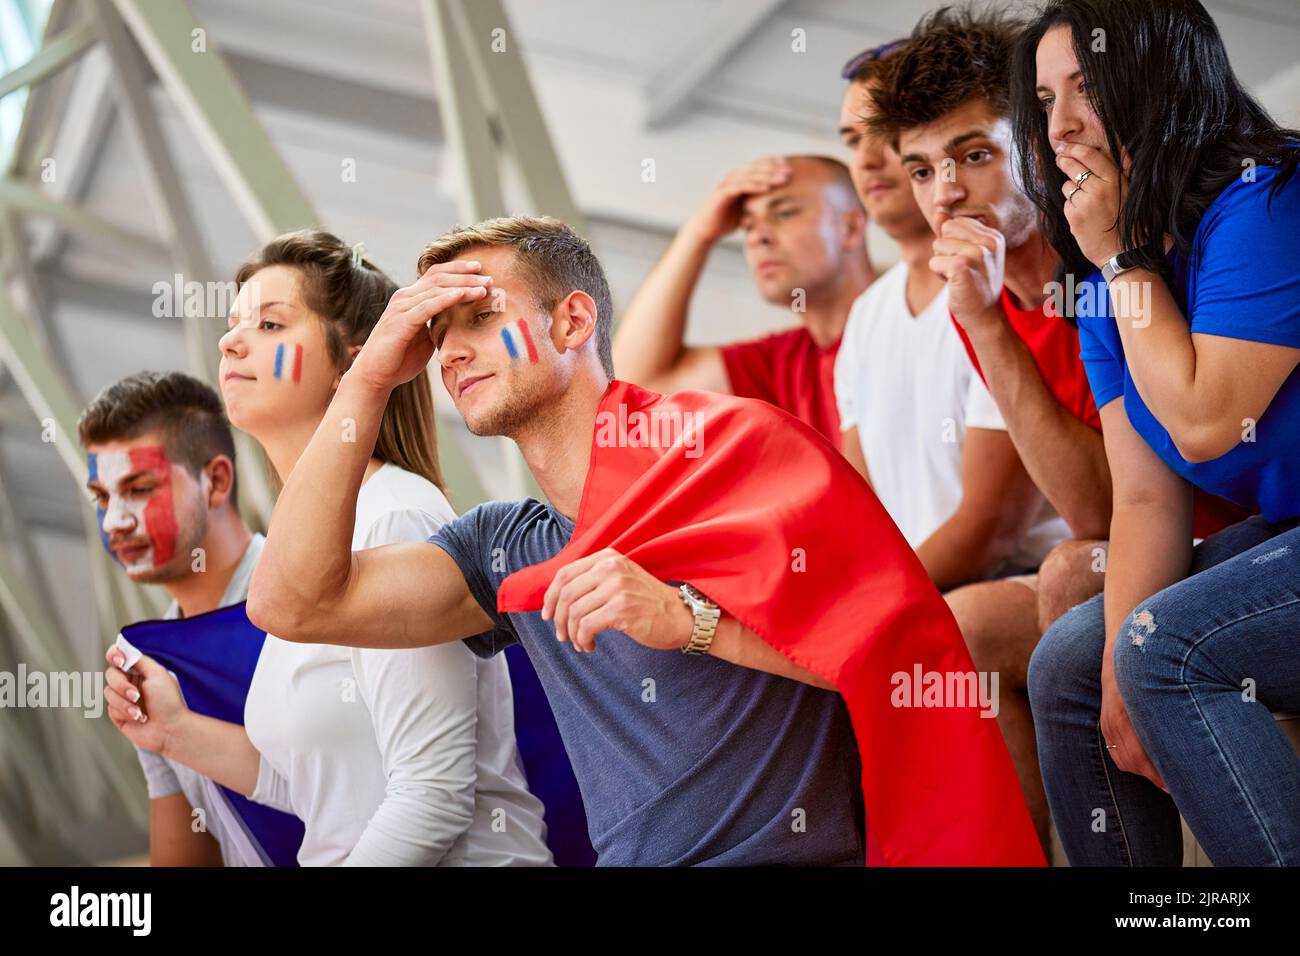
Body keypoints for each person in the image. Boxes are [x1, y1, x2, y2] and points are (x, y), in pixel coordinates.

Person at [238, 215, 1042, 866]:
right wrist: (371, 376)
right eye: (437, 333)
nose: (450, 352)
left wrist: (688, 620)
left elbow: (898, 662)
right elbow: (293, 602)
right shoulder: (503, 548)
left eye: (482, 318)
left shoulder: (733, 448)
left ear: (572, 318)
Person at [104, 231, 551, 866]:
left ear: (354, 363)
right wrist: (174, 732)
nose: (231, 341)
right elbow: (324, 790)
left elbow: (434, 794)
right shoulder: (301, 551)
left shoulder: (394, 512)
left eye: (269, 324)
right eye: (233, 324)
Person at [1015, 0, 1300, 866]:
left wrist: (1124, 261)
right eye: (1043, 99)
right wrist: (1111, 683)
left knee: (1160, 646)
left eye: (1087, 88)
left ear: (1159, 82)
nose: (1060, 125)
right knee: (1069, 661)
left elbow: (1207, 419)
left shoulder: (1268, 199)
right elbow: (1143, 494)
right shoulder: (1105, 271)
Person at [865, 6, 1116, 850]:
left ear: (1040, 144)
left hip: (1213, 541)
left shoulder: (1107, 264)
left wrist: (985, 327)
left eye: (975, 155)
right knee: (944, 642)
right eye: (924, 168)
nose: (947, 193)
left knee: (1037, 587)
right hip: (1120, 553)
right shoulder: (996, 295)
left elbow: (1099, 511)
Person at [836, 39, 1069, 595]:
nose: (868, 158)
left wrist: (861, 611)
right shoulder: (869, 313)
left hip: (1013, 583)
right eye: (850, 139)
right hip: (919, 591)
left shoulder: (1009, 288)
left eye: (971, 155)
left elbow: (993, 529)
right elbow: (858, 508)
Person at [82, 371, 287, 866]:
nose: (114, 522)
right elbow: (185, 857)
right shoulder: (144, 662)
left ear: (215, 481)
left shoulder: (304, 603)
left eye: (138, 488)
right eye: (102, 497)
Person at [614, 155, 872, 446]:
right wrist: (700, 231)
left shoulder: (907, 323)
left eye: (785, 213)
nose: (757, 237)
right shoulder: (783, 364)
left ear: (850, 228)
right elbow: (638, 382)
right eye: (748, 226)